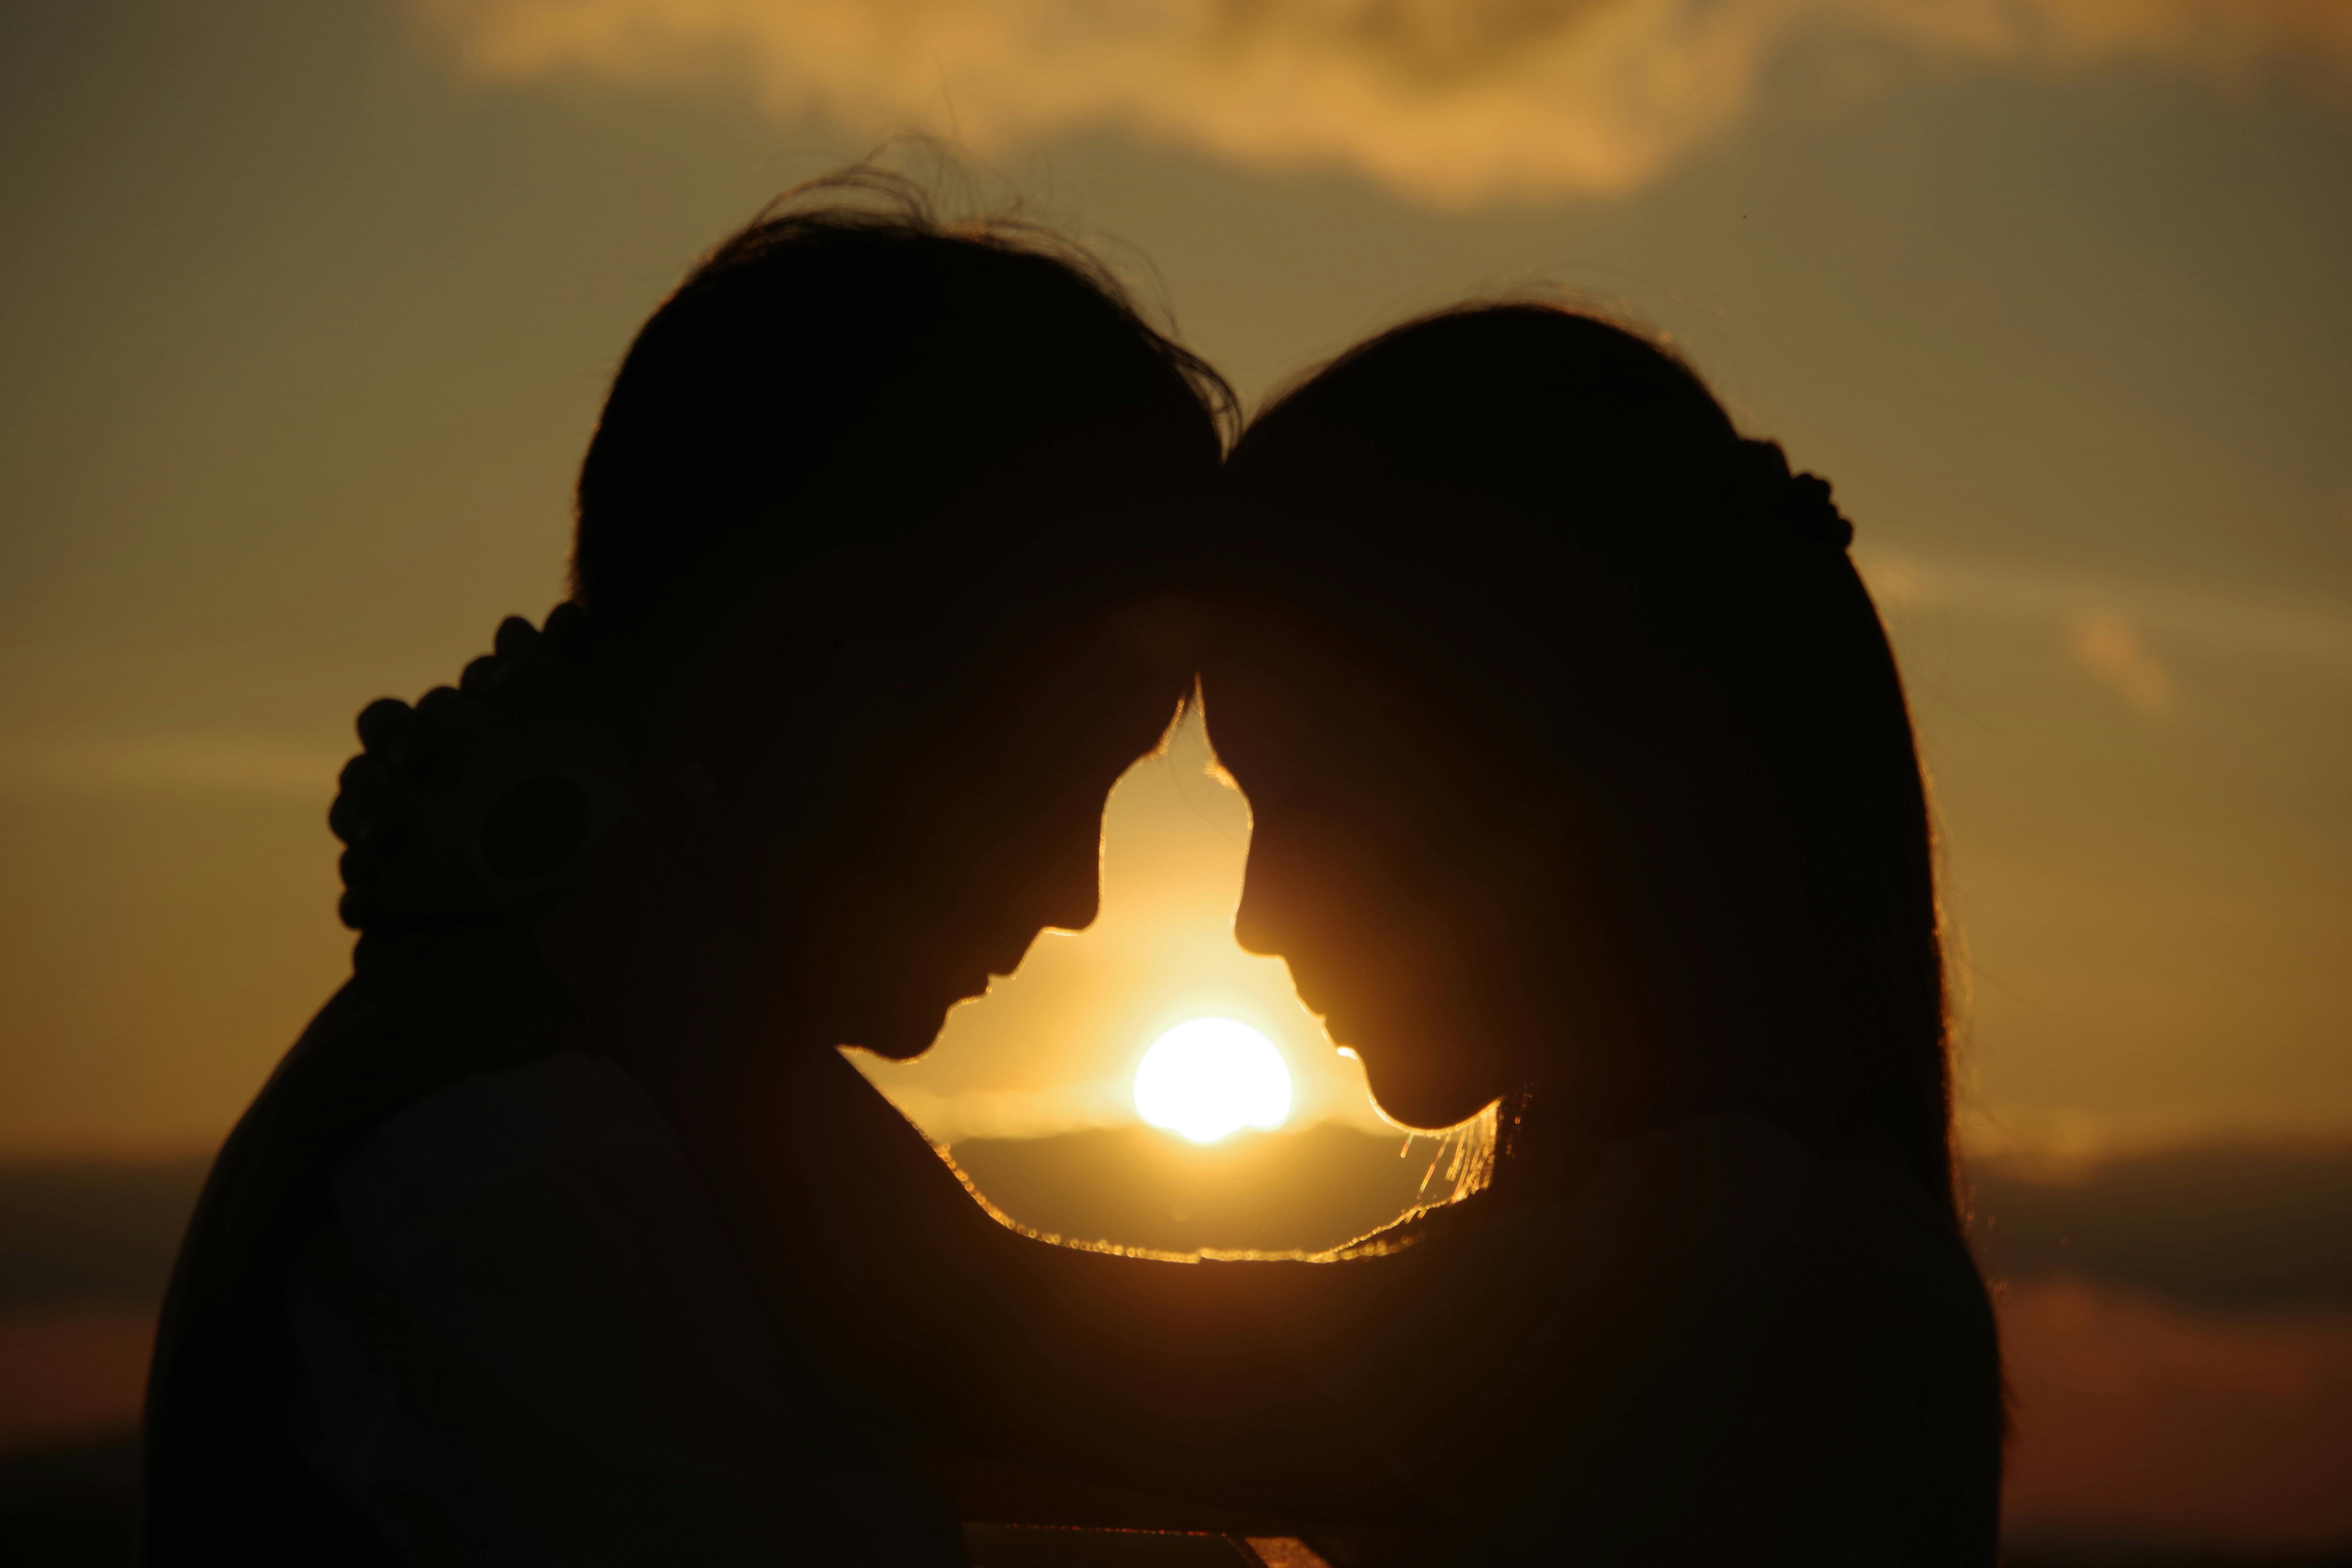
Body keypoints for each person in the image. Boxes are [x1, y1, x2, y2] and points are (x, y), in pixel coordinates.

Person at [335, 300, 2005, 1563]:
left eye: (1309, 798)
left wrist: (589, 878)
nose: (1260, 914)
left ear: (1547, 786)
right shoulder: (1727, 1245)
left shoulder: (1746, 1281)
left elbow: (966, 1323)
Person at [140, 174, 1233, 1565]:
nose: (1077, 895)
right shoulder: (521, 1171)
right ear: (821, 661)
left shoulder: (614, 1113)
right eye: (1060, 767)